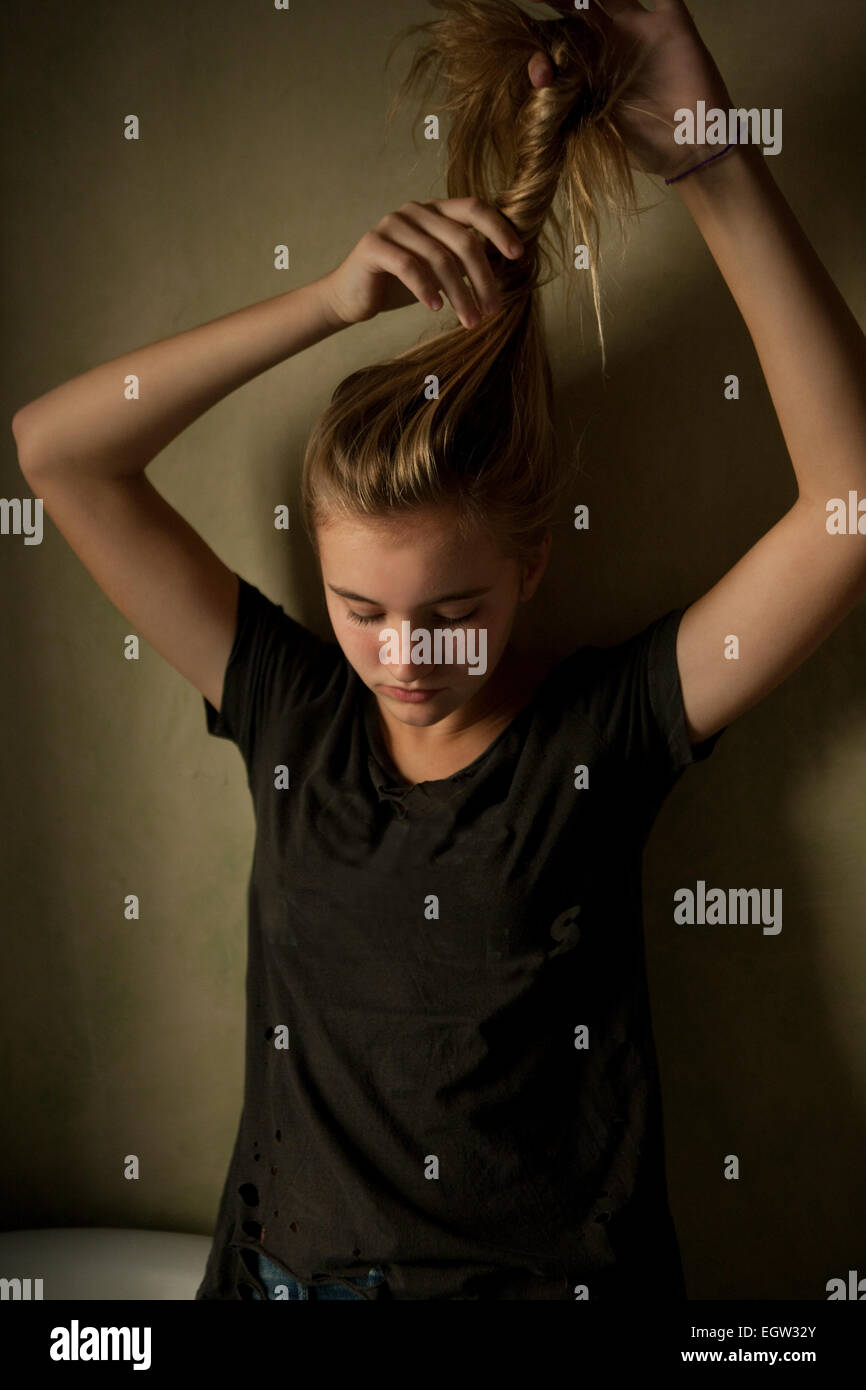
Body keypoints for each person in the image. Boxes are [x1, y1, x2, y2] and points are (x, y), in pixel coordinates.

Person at [12, 0, 866, 1301]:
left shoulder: (602, 735)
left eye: (451, 608)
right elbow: (56, 452)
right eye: (361, 607)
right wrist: (327, 300)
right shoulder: (292, 708)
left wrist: (707, 151)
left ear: (531, 567)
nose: (402, 653)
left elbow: (848, 510)